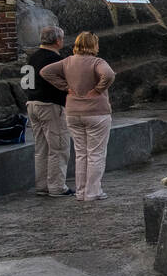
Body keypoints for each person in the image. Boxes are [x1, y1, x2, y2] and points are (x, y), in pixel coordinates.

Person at [40, 31, 115, 202]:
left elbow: (45, 72)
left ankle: (81, 192)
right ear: (93, 45)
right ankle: (93, 192)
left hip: (73, 112)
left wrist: (65, 86)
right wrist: (97, 90)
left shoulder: (67, 61)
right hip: (97, 113)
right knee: (96, 154)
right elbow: (109, 74)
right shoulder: (97, 62)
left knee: (81, 154)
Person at [25, 25, 74, 197]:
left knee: (41, 148)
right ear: (57, 40)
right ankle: (57, 187)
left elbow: (26, 82)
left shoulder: (32, 58)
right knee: (59, 147)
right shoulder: (53, 59)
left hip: (31, 104)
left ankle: (42, 185)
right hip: (50, 106)